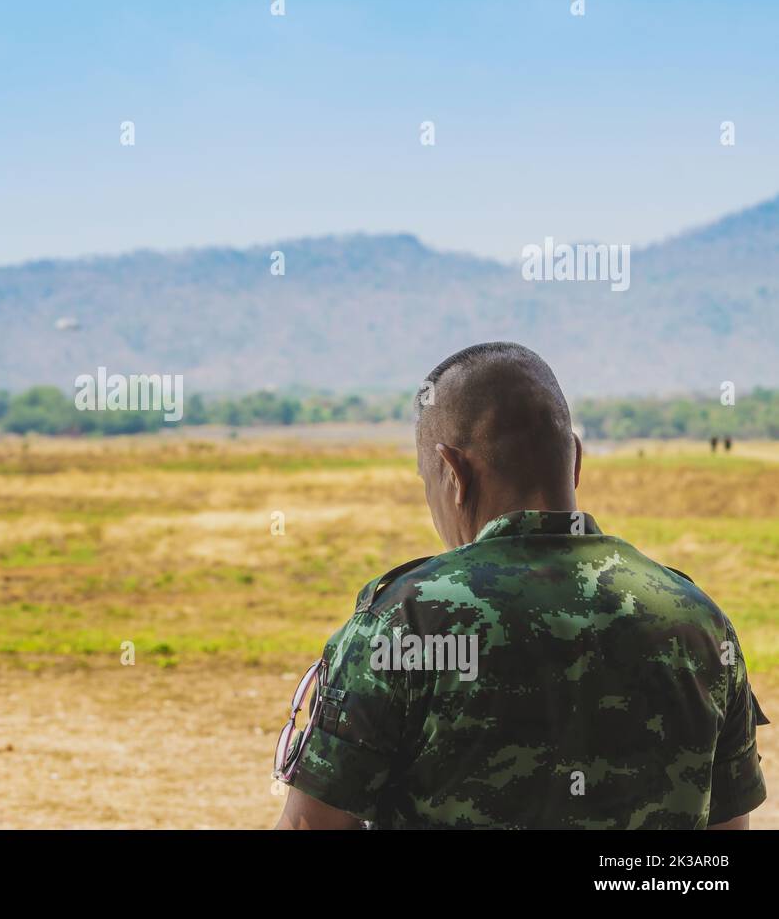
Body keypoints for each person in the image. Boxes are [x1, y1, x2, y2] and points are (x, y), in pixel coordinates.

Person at [275, 342, 767, 829]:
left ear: (453, 472)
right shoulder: (698, 620)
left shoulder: (405, 620)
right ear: (574, 459)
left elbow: (309, 825)